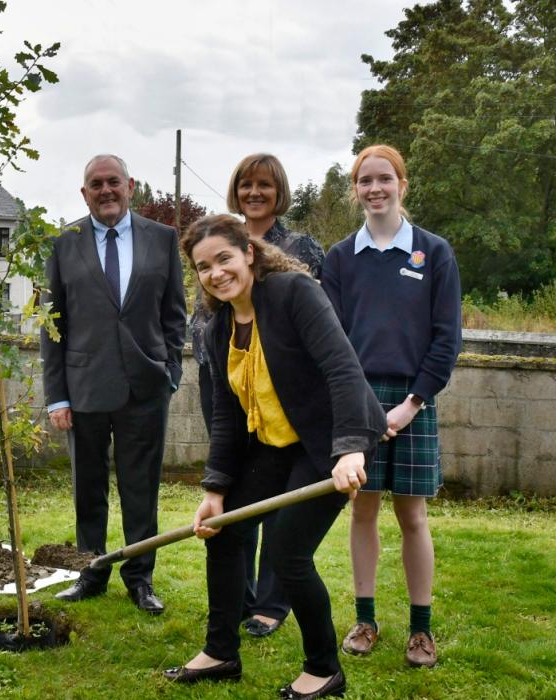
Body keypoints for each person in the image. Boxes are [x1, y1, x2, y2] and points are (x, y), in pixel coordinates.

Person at [163, 214, 385, 699]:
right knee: (222, 535)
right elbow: (225, 412)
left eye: (223, 258)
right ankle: (221, 652)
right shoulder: (220, 325)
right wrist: (215, 490)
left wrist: (349, 450)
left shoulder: (293, 293)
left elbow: (342, 368)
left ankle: (324, 668)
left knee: (287, 553)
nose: (216, 272)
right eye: (203, 267)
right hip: (274, 444)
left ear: (249, 251)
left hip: (328, 443)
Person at [324, 144, 461, 669]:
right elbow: (332, 341)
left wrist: (412, 404)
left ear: (403, 185)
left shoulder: (434, 252)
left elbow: (446, 339)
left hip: (414, 400)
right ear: (355, 189)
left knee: (412, 515)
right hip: (357, 399)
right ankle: (365, 619)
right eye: (365, 180)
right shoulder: (340, 258)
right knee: (363, 508)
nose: (375, 188)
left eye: (385, 179)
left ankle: (421, 630)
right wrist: (357, 407)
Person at [41, 154, 186, 615]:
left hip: (145, 387)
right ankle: (91, 572)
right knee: (89, 487)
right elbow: (52, 324)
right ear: (84, 193)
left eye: (114, 182)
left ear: (131, 186)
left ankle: (140, 579)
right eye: (96, 184)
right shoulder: (65, 243)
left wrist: (170, 374)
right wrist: (56, 396)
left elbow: (174, 315)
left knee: (141, 488)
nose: (106, 190)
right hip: (83, 388)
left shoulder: (162, 239)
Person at [188, 154, 325, 639]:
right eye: (246, 184)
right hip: (237, 391)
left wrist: (351, 442)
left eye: (264, 185)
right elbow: (201, 319)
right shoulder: (217, 243)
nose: (254, 192)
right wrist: (214, 486)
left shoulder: (298, 264)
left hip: (302, 416)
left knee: (287, 534)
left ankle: (274, 605)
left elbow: (329, 350)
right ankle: (229, 625)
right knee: (232, 516)